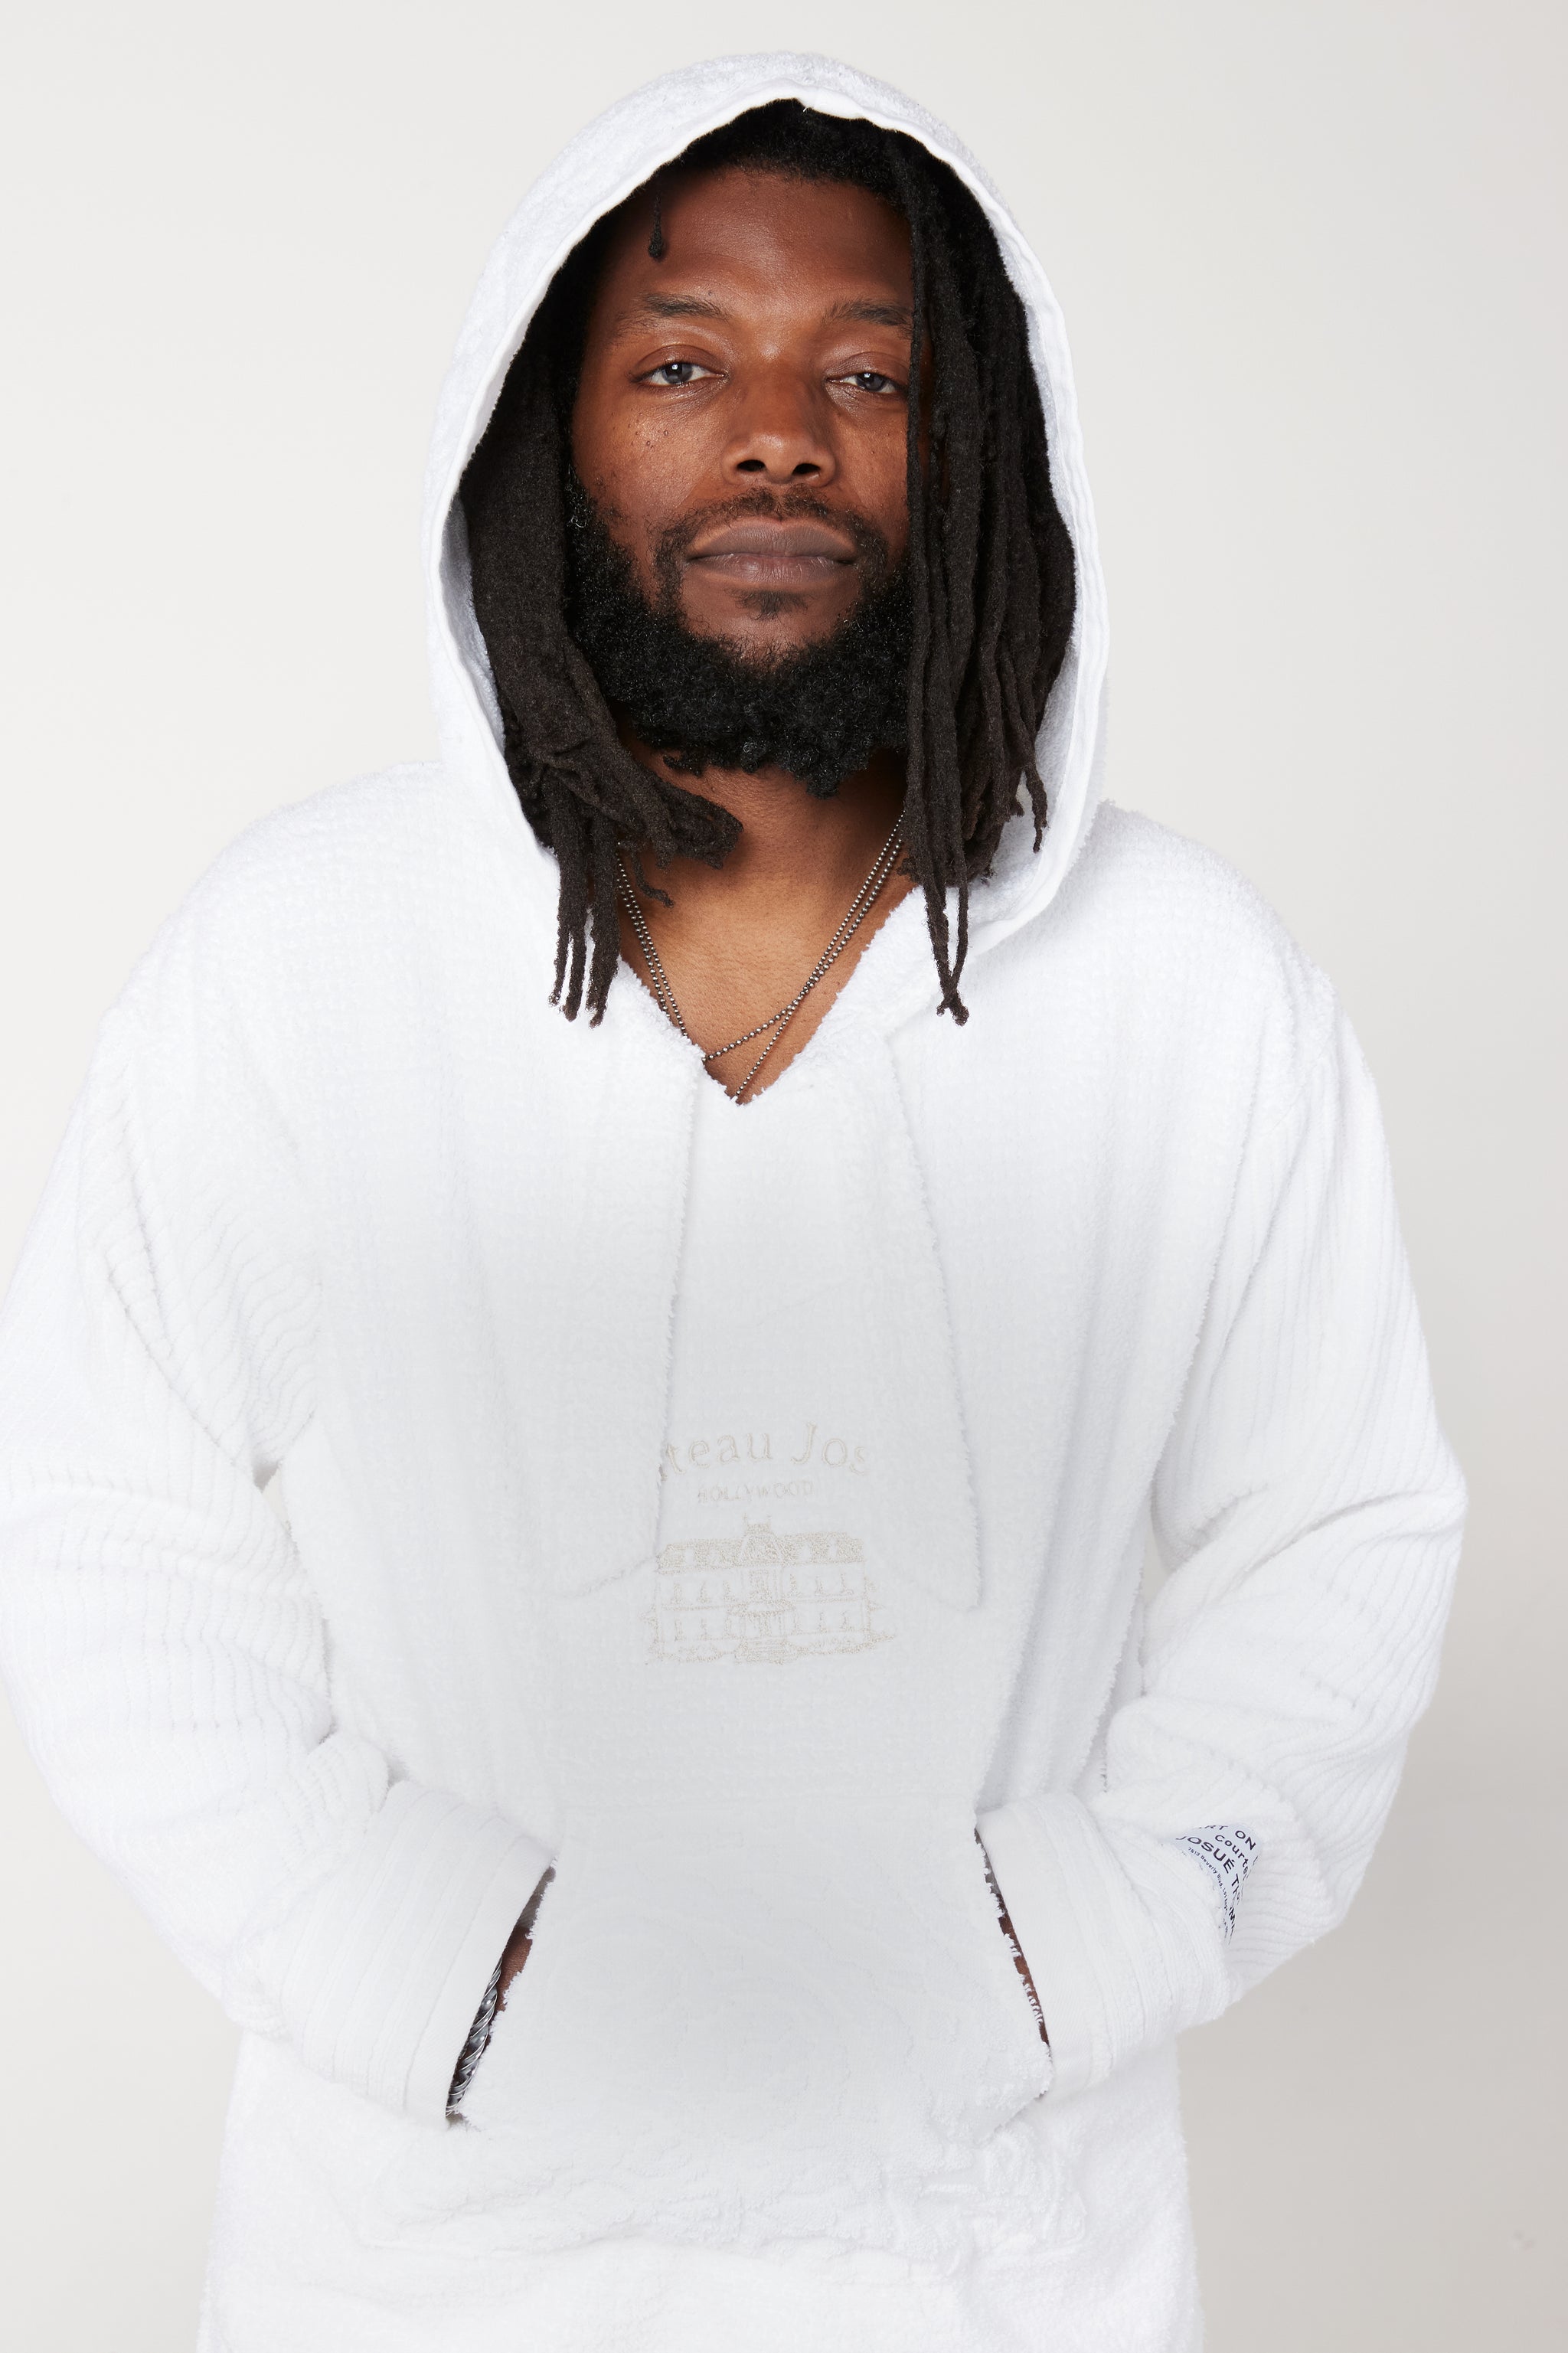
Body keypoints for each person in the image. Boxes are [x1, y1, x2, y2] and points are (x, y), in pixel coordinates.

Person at [0, 52, 1464, 2353]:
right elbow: (101, 1530)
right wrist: (426, 1965)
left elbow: (1340, 1535)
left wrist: (1081, 1940)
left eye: (866, 375)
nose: (780, 437)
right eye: (683, 365)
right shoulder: (296, 962)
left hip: (1005, 2275)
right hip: (417, 2276)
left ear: (967, 447)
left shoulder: (1187, 988)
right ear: (548, 436)